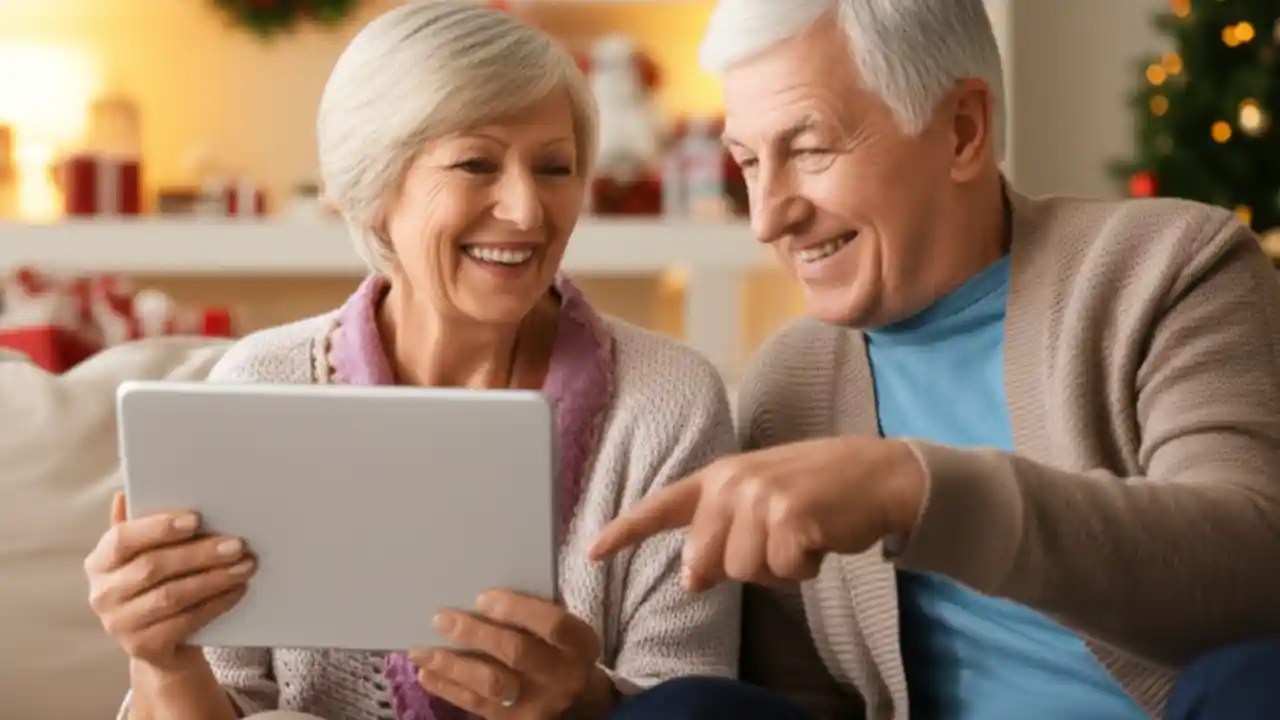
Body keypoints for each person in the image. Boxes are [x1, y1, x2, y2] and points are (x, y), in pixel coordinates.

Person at [593, 1, 1280, 719]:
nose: (768, 217)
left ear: (963, 130)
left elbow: (1256, 575)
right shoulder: (788, 383)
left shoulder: (1166, 269)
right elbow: (806, 698)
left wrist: (914, 490)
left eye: (810, 148)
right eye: (748, 161)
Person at [84, 3, 740, 719]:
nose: (526, 210)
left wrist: (585, 700)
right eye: (475, 164)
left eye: (555, 167)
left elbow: (694, 699)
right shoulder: (259, 385)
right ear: (373, 189)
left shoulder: (668, 401)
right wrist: (163, 660)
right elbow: (231, 701)